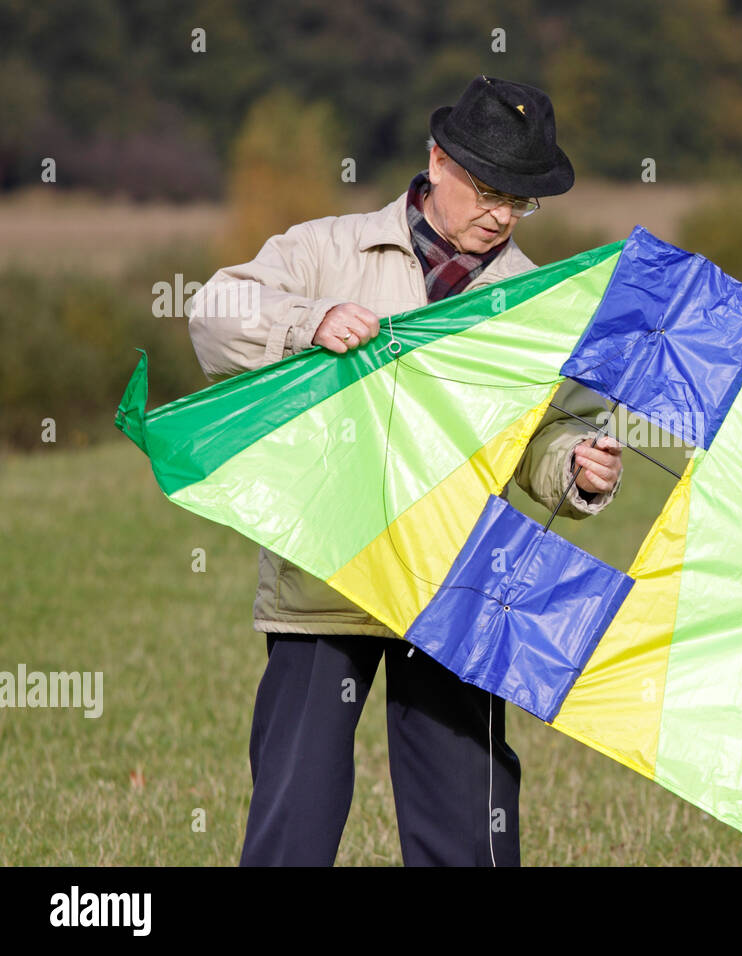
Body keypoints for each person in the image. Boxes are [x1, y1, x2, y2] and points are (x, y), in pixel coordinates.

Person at [188, 75, 624, 866]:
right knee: (293, 819)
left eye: (521, 201)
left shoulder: (531, 298)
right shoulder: (324, 249)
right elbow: (213, 317)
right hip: (325, 580)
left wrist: (579, 468)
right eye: (489, 189)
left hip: (455, 587)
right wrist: (305, 322)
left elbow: (549, 432)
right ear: (437, 161)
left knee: (469, 828)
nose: (501, 215)